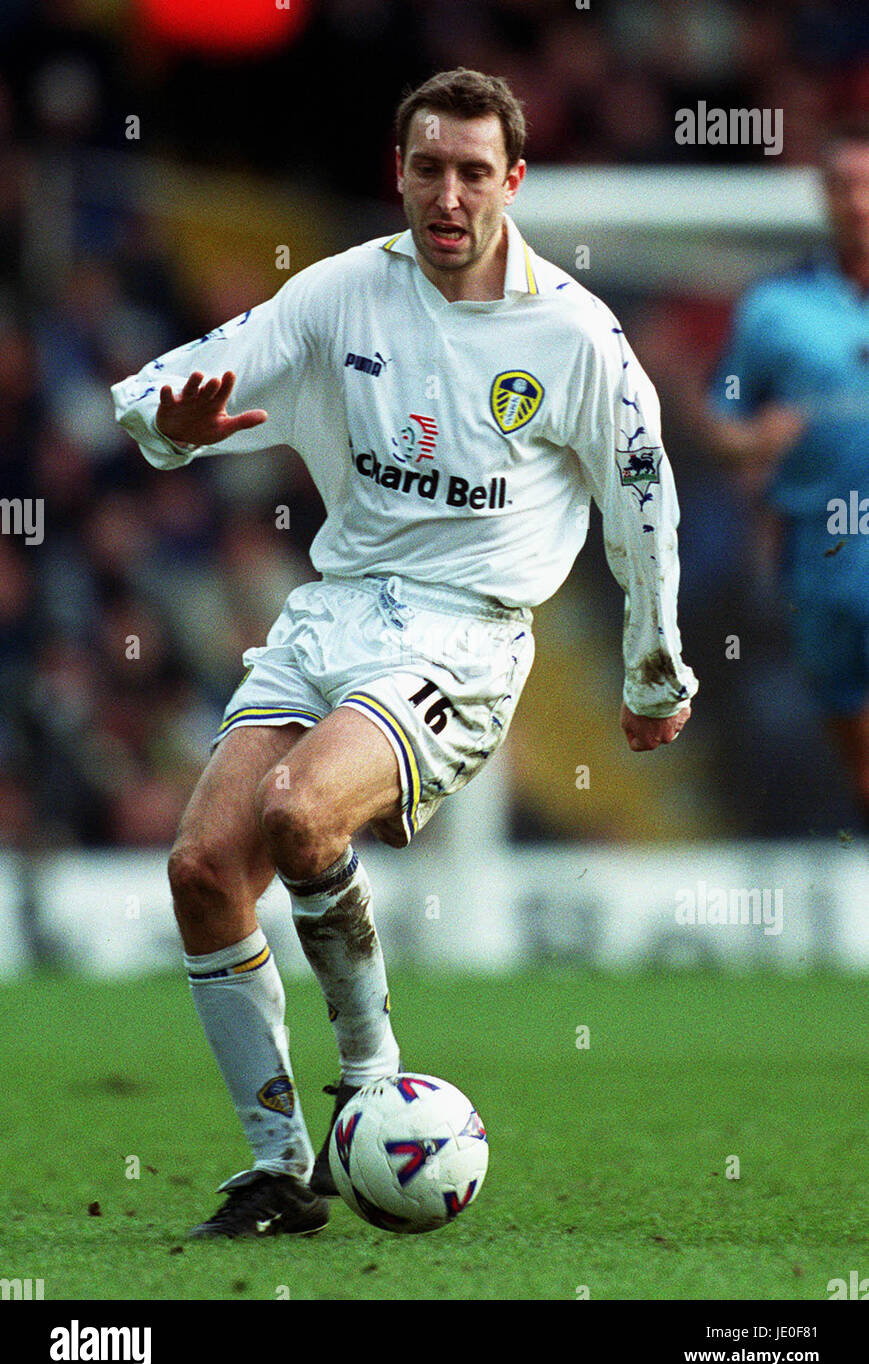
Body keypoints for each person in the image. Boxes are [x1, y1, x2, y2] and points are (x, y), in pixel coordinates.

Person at [112, 68, 696, 1239]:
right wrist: (163, 431)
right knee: (201, 871)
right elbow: (173, 383)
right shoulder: (341, 293)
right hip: (330, 611)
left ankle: (371, 1079)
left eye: (473, 171)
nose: (448, 193)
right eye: (427, 167)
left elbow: (641, 492)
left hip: (465, 632)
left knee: (298, 812)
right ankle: (280, 1170)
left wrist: (651, 662)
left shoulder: (572, 330)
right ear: (399, 172)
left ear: (511, 182)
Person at [703, 118, 869, 829]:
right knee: (857, 754)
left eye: (868, 185)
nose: (857, 200)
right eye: (842, 185)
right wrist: (749, 444)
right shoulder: (775, 308)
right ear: (823, 196)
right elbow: (720, 415)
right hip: (821, 553)